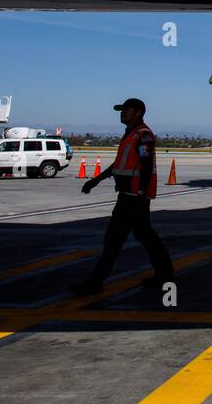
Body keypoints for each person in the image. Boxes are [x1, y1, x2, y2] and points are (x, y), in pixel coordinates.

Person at [69, 98, 175, 295]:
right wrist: (96, 180)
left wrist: (141, 192)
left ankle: (95, 283)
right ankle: (166, 275)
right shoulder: (131, 134)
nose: (122, 113)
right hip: (129, 194)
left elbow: (145, 163)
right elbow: (119, 165)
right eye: (122, 110)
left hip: (133, 196)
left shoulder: (143, 136)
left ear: (138, 112)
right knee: (145, 236)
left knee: (114, 239)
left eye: (126, 110)